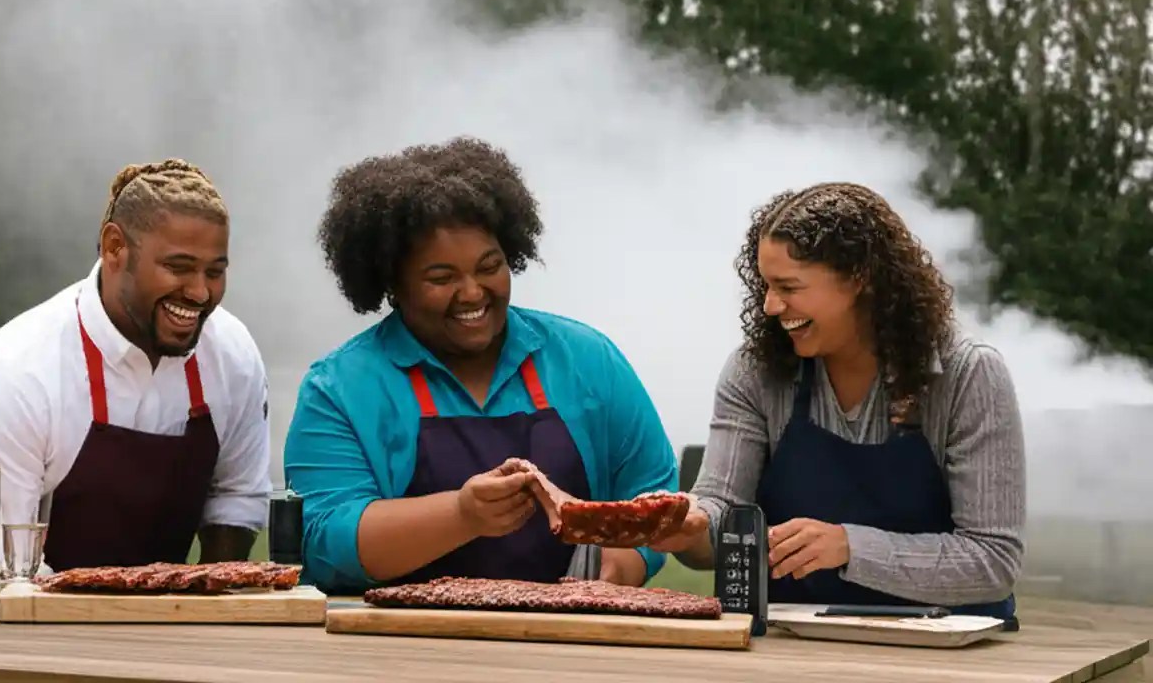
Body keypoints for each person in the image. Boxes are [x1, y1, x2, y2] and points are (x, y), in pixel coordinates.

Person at [284, 136, 680, 595]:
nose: (473, 292)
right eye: (442, 278)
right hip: (400, 653)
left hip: (572, 646)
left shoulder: (587, 359)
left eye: (489, 266)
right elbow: (323, 541)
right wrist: (461, 516)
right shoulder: (340, 388)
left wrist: (625, 564)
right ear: (391, 282)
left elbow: (653, 493)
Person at [654, 182, 1026, 624]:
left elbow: (993, 561)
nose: (771, 306)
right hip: (793, 647)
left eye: (789, 287)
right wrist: (690, 526)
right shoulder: (755, 371)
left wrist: (850, 547)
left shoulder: (969, 374)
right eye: (767, 286)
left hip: (949, 652)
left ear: (859, 278)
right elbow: (721, 508)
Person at [0, 158, 271, 572]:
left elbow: (237, 498)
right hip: (37, 625)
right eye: (178, 268)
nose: (199, 292)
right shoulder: (17, 371)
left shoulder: (233, 355)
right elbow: (5, 564)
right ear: (114, 247)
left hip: (179, 627)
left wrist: (206, 604)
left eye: (214, 272)